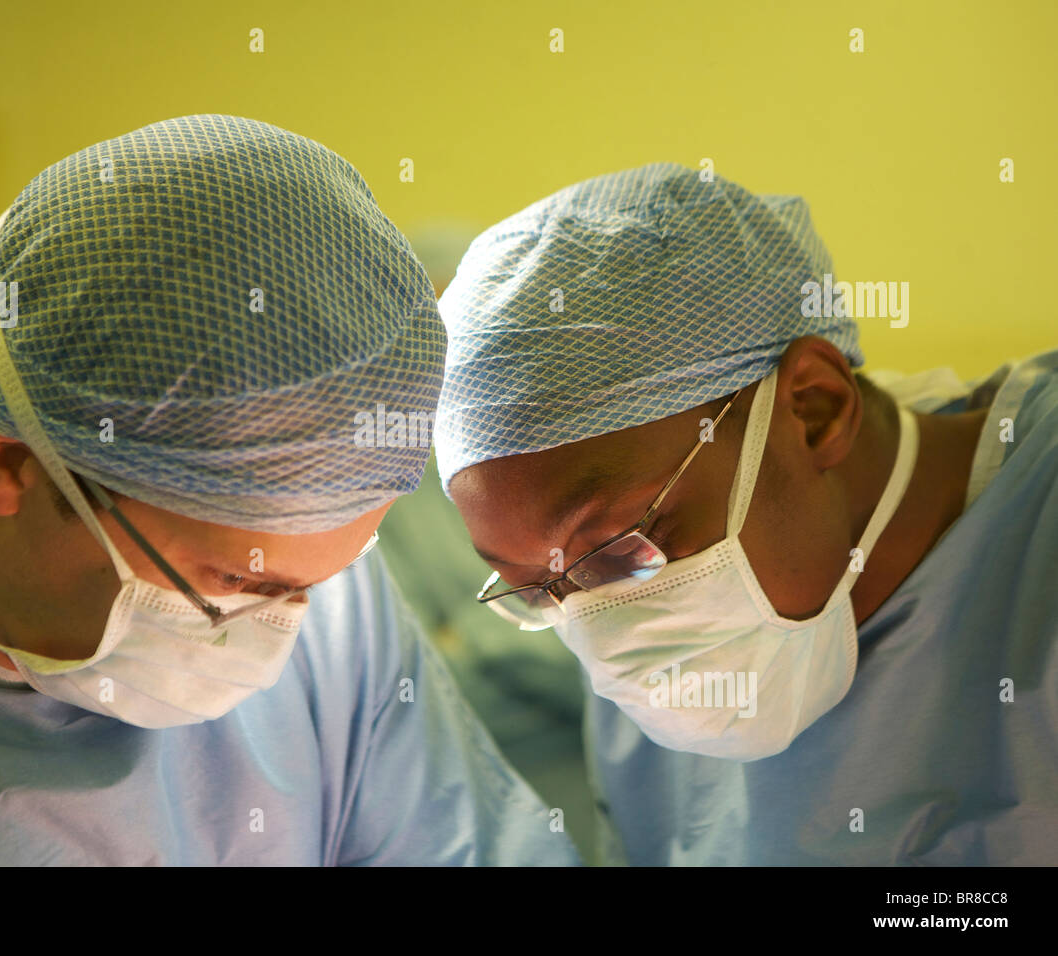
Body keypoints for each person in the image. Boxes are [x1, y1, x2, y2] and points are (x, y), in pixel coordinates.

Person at [0, 115, 580, 866]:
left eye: (316, 580)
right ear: (6, 466)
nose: (279, 637)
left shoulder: (330, 610)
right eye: (234, 585)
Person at [432, 162, 1058, 865]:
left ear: (814, 408)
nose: (605, 635)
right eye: (540, 589)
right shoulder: (620, 623)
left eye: (618, 547)